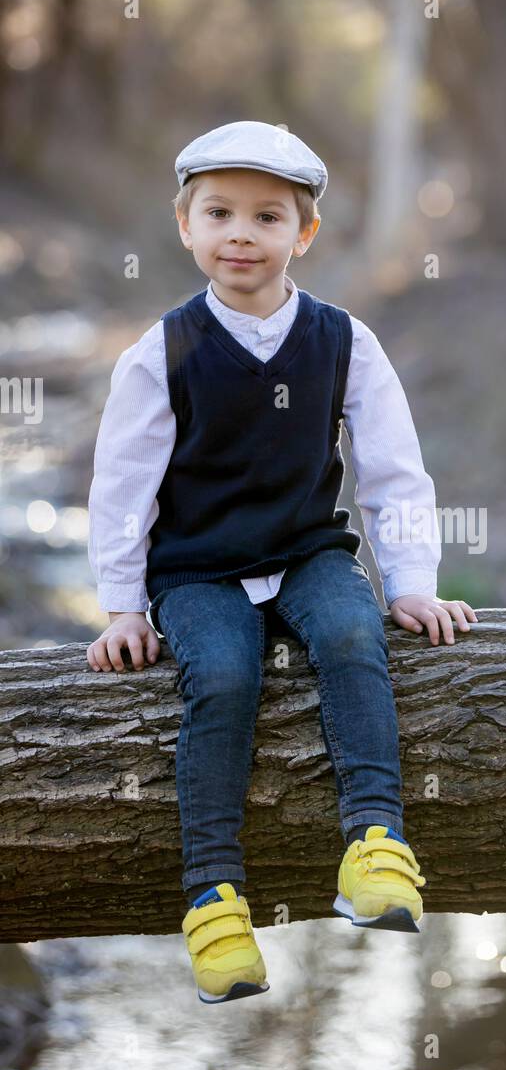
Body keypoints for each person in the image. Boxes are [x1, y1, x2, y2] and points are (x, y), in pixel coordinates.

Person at [86, 120, 478, 1004]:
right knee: (223, 676)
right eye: (218, 213)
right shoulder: (162, 352)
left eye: (268, 217)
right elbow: (123, 486)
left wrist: (412, 584)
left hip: (308, 551)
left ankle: (375, 845)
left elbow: (392, 467)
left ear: (304, 234)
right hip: (197, 569)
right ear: (184, 225)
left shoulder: (343, 340)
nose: (240, 234)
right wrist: (122, 605)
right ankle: (214, 901)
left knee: (352, 635)